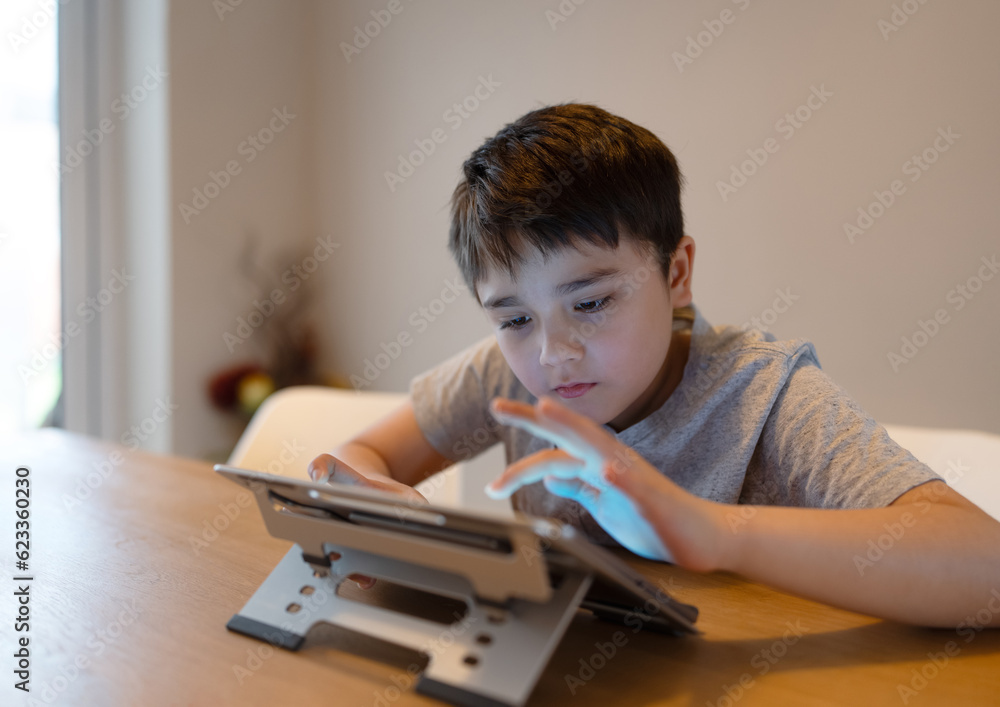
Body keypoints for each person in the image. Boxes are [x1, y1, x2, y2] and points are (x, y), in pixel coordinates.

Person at [308, 103, 1000, 627]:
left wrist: (713, 532)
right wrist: (381, 505)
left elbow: (985, 563)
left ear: (676, 274)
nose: (552, 352)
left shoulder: (761, 392)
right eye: (514, 318)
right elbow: (363, 455)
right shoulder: (507, 372)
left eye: (591, 302)